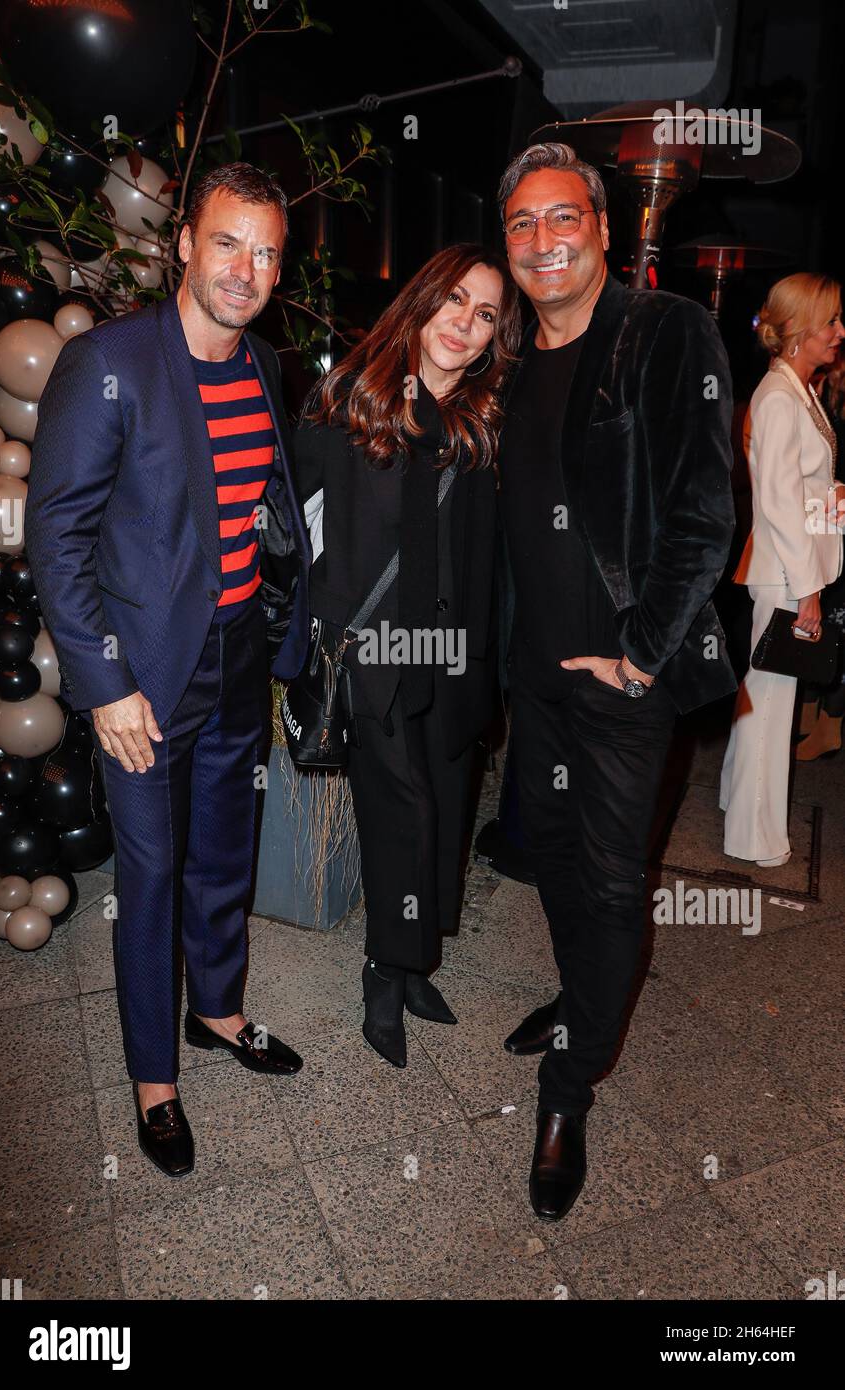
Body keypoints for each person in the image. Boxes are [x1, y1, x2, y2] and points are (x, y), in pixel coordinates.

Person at [25, 163, 311, 1178]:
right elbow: (54, 536)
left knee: (224, 852)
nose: (246, 269)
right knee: (148, 875)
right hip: (143, 676)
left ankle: (219, 1012)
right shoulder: (109, 362)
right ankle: (155, 1081)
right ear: (184, 243)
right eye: (228, 243)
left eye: (267, 250)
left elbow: (261, 513)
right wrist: (103, 686)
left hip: (235, 659)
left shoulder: (263, 367)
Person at [495, 142, 736, 1222]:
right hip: (533, 674)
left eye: (561, 218)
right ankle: (579, 994)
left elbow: (703, 513)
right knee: (544, 852)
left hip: (621, 683)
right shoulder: (509, 358)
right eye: (520, 225)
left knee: (604, 881)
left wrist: (641, 648)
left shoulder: (662, 332)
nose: (541, 241)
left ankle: (567, 1087)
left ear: (597, 226)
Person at [295, 244, 521, 1067]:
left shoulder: (484, 420)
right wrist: (327, 631)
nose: (465, 323)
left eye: (486, 312)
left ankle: (418, 954)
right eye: (455, 301)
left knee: (450, 806)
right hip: (378, 648)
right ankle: (384, 971)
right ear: (422, 303)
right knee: (403, 811)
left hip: (456, 649)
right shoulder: (354, 400)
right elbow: (297, 520)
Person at [720, 274, 844, 862]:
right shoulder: (776, 397)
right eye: (831, 321)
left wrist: (828, 539)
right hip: (785, 572)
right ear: (798, 330)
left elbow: (809, 488)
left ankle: (735, 805)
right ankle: (753, 836)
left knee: (762, 696)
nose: (840, 333)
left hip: (793, 566)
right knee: (770, 707)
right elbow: (774, 501)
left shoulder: (799, 389)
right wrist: (810, 589)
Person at [796, 347, 845, 760]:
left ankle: (830, 723)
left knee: (838, 617)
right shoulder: (819, 389)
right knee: (826, 609)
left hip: (837, 509)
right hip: (831, 511)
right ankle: (811, 713)